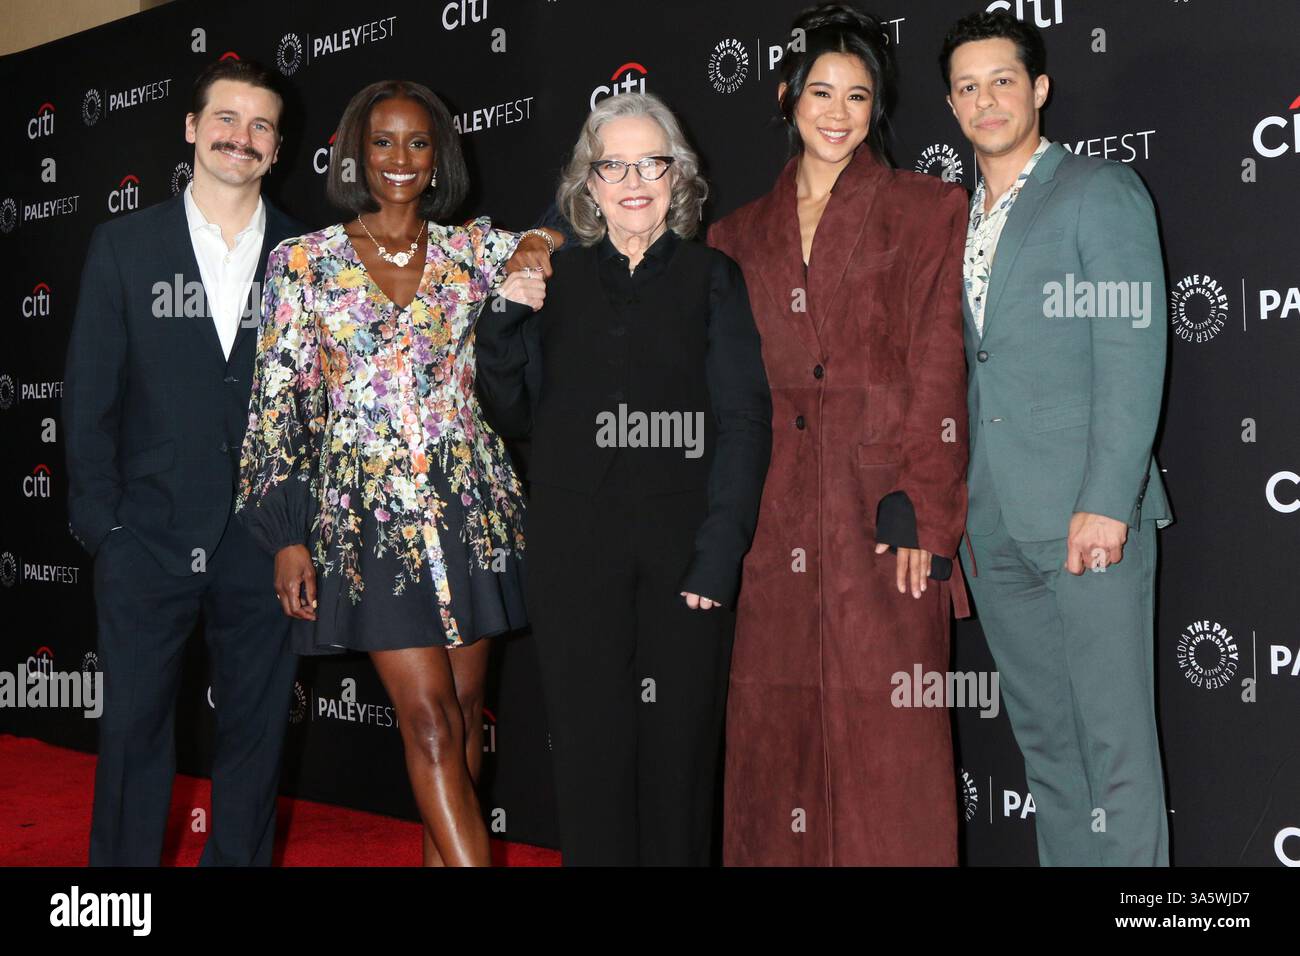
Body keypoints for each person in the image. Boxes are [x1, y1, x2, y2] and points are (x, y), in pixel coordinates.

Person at [234, 80, 557, 867]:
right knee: (430, 722)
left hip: (469, 507)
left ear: (439, 155)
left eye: (418, 143)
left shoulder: (471, 250)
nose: (401, 159)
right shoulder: (302, 264)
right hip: (368, 521)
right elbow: (277, 408)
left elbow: (576, 227)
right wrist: (284, 535)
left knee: (466, 711)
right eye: (383, 142)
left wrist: (541, 245)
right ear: (355, 154)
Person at [475, 92, 772, 866]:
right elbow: (511, 413)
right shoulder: (555, 280)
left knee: (679, 764)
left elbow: (742, 422)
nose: (634, 179)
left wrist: (720, 552)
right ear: (589, 183)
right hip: (573, 552)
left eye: (652, 163)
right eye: (614, 164)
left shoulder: (714, 277)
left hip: (685, 554)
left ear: (678, 178)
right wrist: (503, 321)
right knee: (586, 760)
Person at [706, 3, 971, 865]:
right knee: (774, 742)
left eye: (858, 97)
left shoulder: (929, 208)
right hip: (772, 517)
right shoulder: (734, 235)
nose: (837, 113)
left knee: (892, 748)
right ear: (787, 97)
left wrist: (922, 511)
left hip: (881, 510)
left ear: (876, 109)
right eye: (821, 91)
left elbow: (939, 366)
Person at [942, 11, 1171, 866]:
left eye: (1002, 79)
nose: (984, 98)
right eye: (966, 86)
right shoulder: (952, 219)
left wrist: (1107, 501)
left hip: (1087, 517)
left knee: (1115, 752)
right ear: (952, 106)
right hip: (992, 524)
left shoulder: (1097, 190)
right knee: (1049, 751)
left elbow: (1132, 347)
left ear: (1038, 88)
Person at [64, 58, 304, 866]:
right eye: (227, 119)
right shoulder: (124, 247)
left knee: (256, 736)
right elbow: (88, 399)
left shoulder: (310, 259)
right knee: (131, 738)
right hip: (148, 538)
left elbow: (321, 413)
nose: (242, 137)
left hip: (265, 544)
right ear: (193, 129)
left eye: (261, 124)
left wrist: (296, 527)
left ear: (277, 147)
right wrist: (108, 531)